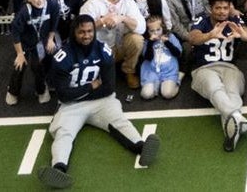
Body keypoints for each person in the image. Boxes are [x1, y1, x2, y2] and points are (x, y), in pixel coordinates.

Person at [36, 15, 160, 189]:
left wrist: (81, 93)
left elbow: (109, 87)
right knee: (64, 132)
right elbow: (63, 95)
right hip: (72, 105)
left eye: (89, 31)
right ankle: (58, 168)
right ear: (74, 32)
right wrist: (90, 87)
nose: (86, 35)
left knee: (119, 121)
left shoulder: (103, 50)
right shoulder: (62, 56)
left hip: (99, 100)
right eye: (81, 32)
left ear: (94, 31)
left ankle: (141, 146)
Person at [189, 0, 247, 152]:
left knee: (232, 93)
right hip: (204, 68)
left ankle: (233, 132)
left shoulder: (234, 20)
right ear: (211, 8)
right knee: (214, 87)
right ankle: (237, 116)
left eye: (225, 8)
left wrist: (242, 34)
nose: (222, 11)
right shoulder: (202, 20)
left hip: (230, 67)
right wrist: (210, 34)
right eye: (218, 8)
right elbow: (193, 38)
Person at [80, 0, 145, 89]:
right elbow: (80, 31)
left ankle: (129, 71)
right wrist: (102, 21)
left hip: (119, 47)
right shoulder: (92, 4)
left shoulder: (128, 2)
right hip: (100, 50)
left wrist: (122, 18)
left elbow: (141, 28)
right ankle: (96, 73)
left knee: (137, 39)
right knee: (102, 85)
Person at [7, 0, 59, 105]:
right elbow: (15, 32)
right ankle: (12, 91)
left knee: (38, 65)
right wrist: (20, 54)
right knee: (19, 66)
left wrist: (51, 39)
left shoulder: (52, 5)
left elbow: (54, 24)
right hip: (25, 42)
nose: (40, 0)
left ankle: (41, 90)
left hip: (41, 41)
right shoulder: (24, 11)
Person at [138, 16, 181, 101]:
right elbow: (147, 57)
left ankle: (177, 80)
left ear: (163, 28)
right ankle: (157, 85)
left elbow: (178, 53)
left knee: (167, 94)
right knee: (146, 94)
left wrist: (167, 43)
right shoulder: (147, 41)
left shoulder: (171, 37)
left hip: (169, 71)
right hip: (151, 71)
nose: (156, 33)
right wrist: (150, 43)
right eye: (152, 31)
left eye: (158, 30)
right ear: (148, 31)